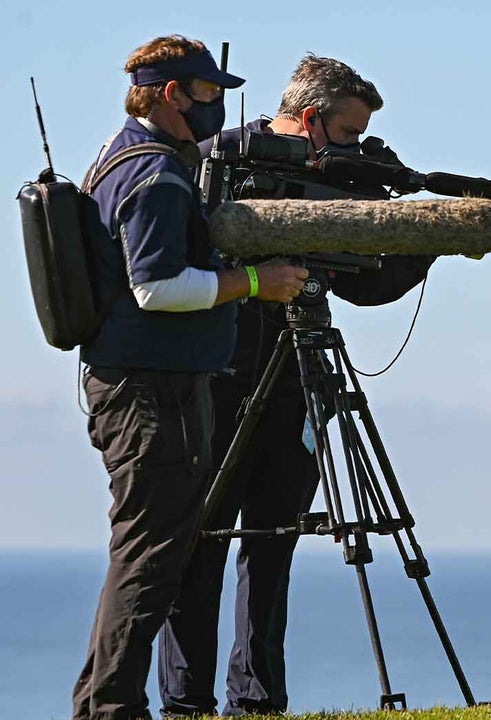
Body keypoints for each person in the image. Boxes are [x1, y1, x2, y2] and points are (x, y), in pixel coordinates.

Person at [158, 54, 437, 717]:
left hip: (297, 375)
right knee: (199, 540)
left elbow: (364, 284)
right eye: (346, 132)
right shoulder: (216, 161)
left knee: (273, 539)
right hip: (214, 376)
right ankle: (186, 703)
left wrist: (421, 242)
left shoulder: (340, 177)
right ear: (311, 118)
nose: (354, 147)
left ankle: (256, 700)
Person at [73, 35, 307, 720]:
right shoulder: (155, 177)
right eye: (209, 93)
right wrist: (255, 281)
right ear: (173, 93)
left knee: (149, 552)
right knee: (151, 559)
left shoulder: (125, 159)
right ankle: (111, 709)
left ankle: (106, 704)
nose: (219, 107)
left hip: (139, 385)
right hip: (153, 393)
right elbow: (158, 288)